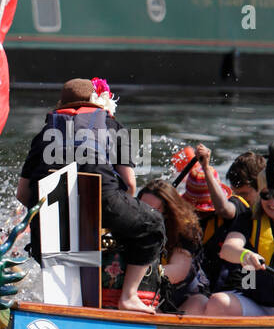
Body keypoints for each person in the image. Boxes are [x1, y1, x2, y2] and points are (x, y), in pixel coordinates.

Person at [16, 78, 164, 313]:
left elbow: (23, 194)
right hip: (102, 204)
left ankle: (61, 302)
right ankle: (128, 297)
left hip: (50, 218)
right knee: (153, 224)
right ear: (95, 102)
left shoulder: (43, 133)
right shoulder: (112, 126)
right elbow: (130, 185)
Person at [205, 148, 274, 317]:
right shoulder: (249, 217)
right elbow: (228, 249)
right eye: (266, 195)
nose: (273, 202)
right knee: (217, 302)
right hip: (256, 301)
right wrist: (245, 255)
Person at [185, 146, 263, 290]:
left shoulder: (245, 208)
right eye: (235, 193)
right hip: (213, 283)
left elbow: (223, 209)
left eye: (244, 194)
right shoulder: (230, 207)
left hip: (242, 284)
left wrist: (206, 168)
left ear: (262, 188)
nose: (239, 198)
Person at [138, 179, 209, 314]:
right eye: (142, 209)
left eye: (153, 211)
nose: (145, 217)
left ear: (168, 213)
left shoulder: (185, 230)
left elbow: (178, 271)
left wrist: (139, 273)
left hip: (186, 297)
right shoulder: (135, 227)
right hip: (150, 297)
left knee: (199, 303)